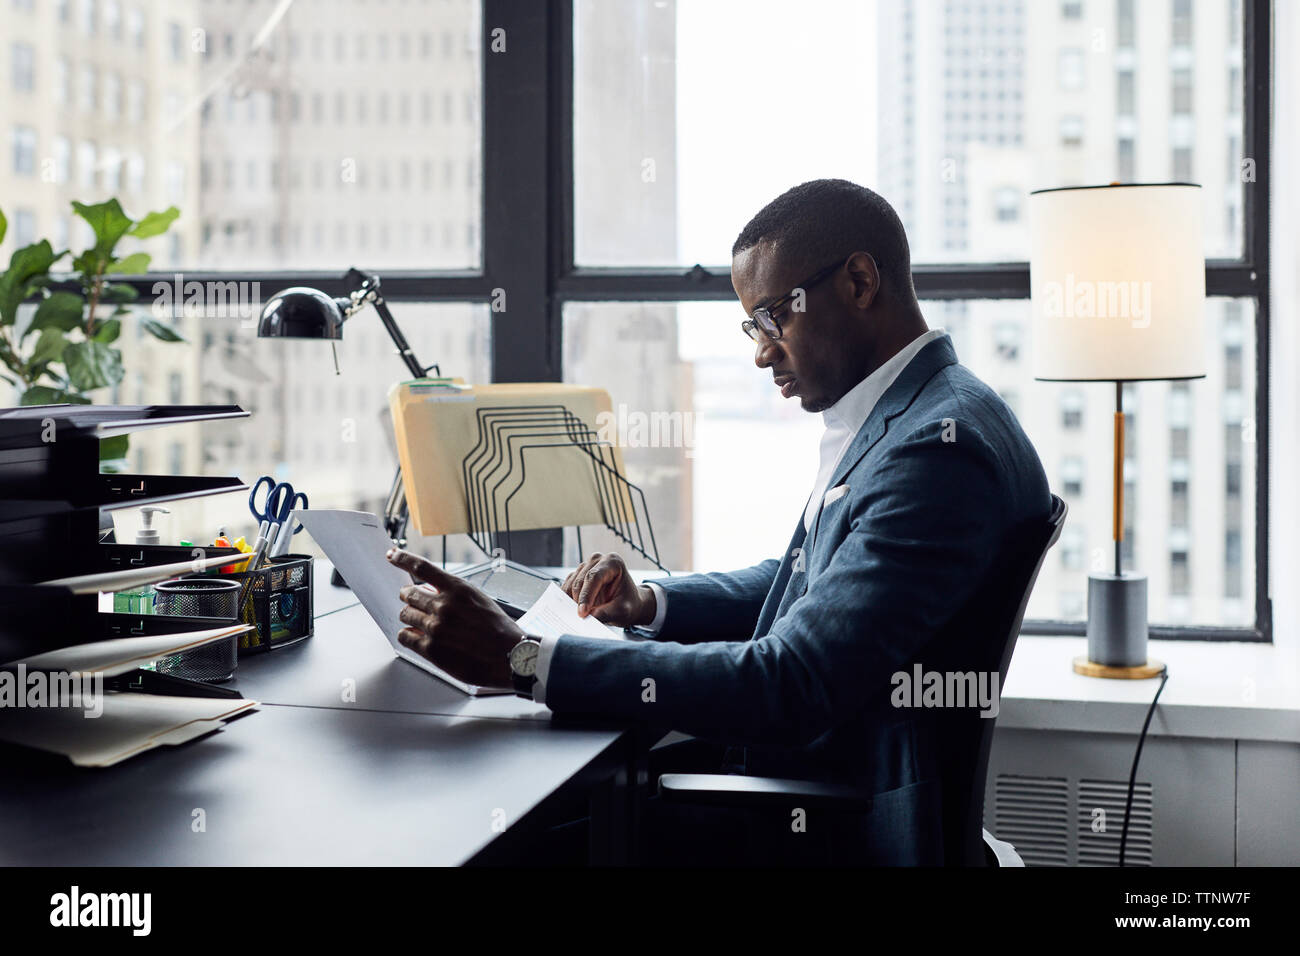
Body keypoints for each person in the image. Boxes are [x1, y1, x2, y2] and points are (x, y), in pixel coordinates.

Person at [386, 178, 1052, 865]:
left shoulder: (936, 451)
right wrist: (652, 602)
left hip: (831, 827)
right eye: (752, 327)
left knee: (497, 845)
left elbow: (791, 683)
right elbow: (810, 579)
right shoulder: (922, 412)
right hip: (809, 783)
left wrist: (524, 660)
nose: (762, 353)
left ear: (858, 281)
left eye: (773, 319)